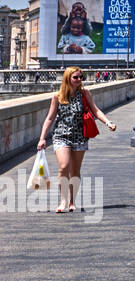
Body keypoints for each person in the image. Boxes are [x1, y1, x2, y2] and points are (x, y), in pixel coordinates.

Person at [36, 67, 116, 212]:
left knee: (75, 170)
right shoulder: (58, 96)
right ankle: (63, 201)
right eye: (76, 77)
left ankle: (72, 201)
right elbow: (50, 118)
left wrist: (108, 122)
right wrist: (42, 138)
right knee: (63, 166)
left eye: (81, 77)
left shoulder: (85, 94)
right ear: (68, 78)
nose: (79, 80)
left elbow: (96, 110)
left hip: (80, 136)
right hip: (61, 135)